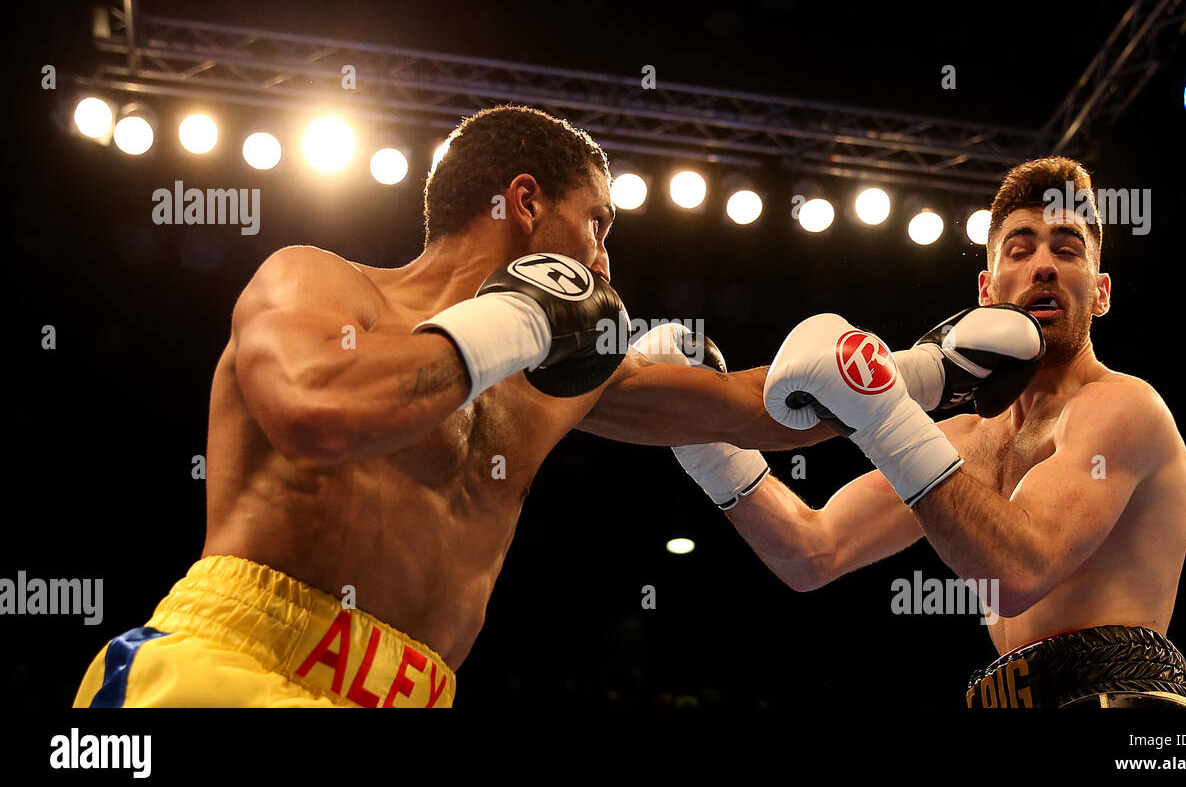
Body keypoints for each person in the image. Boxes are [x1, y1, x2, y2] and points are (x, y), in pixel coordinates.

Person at [73, 105, 830, 708]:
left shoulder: (554, 380)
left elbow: (756, 409)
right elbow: (313, 407)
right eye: (597, 222)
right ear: (525, 201)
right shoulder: (323, 283)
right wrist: (519, 322)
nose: (604, 262)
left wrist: (929, 374)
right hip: (234, 666)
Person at [659, 157, 1186, 708]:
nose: (1044, 267)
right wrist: (704, 446)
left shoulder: (1124, 406)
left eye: (1066, 249)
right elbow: (812, 552)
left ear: (1101, 292)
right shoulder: (962, 437)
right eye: (1020, 248)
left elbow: (1018, 571)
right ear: (986, 289)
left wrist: (884, 414)